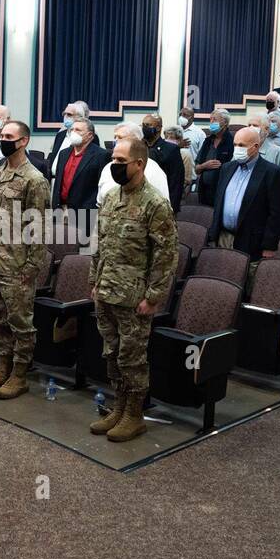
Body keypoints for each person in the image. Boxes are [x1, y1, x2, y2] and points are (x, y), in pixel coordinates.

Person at [88, 138, 178, 444]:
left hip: (134, 296)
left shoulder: (155, 203)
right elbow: (99, 243)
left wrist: (153, 296)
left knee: (132, 358)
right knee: (111, 353)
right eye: (113, 159)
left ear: (139, 163)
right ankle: (119, 406)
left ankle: (135, 415)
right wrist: (95, 281)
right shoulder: (112, 197)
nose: (114, 165)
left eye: (120, 160)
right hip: (107, 290)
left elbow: (166, 254)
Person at [0, 120, 51, 399]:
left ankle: (19, 375)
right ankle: (1, 367)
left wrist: (31, 267)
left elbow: (40, 227)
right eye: (1, 135)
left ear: (23, 142)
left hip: (17, 264)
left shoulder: (34, 179)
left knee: (20, 322)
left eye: (9, 136)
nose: (2, 140)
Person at [206, 126, 280, 270]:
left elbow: (278, 214)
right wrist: (213, 235)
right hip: (224, 237)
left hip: (251, 241)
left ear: (255, 147)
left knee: (245, 284)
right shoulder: (227, 168)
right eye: (235, 145)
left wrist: (270, 246)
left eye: (242, 145)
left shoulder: (273, 172)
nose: (237, 149)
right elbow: (219, 203)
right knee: (222, 280)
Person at [52, 116, 109, 228]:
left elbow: (100, 186)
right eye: (72, 129)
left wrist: (90, 208)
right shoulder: (64, 153)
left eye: (78, 130)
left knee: (81, 245)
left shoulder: (101, 155)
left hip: (84, 212)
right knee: (59, 243)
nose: (73, 132)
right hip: (61, 209)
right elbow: (58, 182)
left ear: (90, 135)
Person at [98, 122, 169, 203]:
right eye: (115, 137)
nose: (116, 141)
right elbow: (100, 203)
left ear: (136, 141)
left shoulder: (153, 170)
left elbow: (162, 203)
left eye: (121, 138)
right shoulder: (108, 168)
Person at [141, 113, 185, 211]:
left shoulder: (171, 149)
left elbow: (176, 181)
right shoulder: (138, 147)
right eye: (143, 125)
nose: (144, 128)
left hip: (161, 202)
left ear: (158, 128)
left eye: (148, 125)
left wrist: (172, 208)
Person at [194, 109, 235, 207]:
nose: (211, 122)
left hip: (222, 192)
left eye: (215, 120)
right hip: (204, 191)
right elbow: (197, 168)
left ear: (225, 122)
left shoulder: (232, 142)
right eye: (210, 119)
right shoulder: (207, 141)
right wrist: (204, 166)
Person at [46, 102, 86, 180]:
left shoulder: (85, 136)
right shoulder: (60, 135)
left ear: (80, 117)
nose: (65, 117)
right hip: (54, 180)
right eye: (64, 114)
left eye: (69, 114)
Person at [244, 111, 280, 178]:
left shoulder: (277, 152)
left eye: (255, 125)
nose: (251, 128)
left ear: (266, 129)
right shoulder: (242, 148)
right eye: (249, 125)